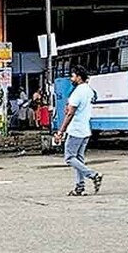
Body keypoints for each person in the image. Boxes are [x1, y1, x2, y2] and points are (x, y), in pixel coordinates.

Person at [54, 65, 103, 196]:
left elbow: (70, 114)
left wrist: (60, 131)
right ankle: (79, 188)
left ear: (79, 77)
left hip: (76, 130)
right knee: (79, 160)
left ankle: (94, 175)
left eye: (73, 76)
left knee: (69, 158)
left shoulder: (78, 92)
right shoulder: (89, 90)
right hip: (86, 130)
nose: (71, 78)